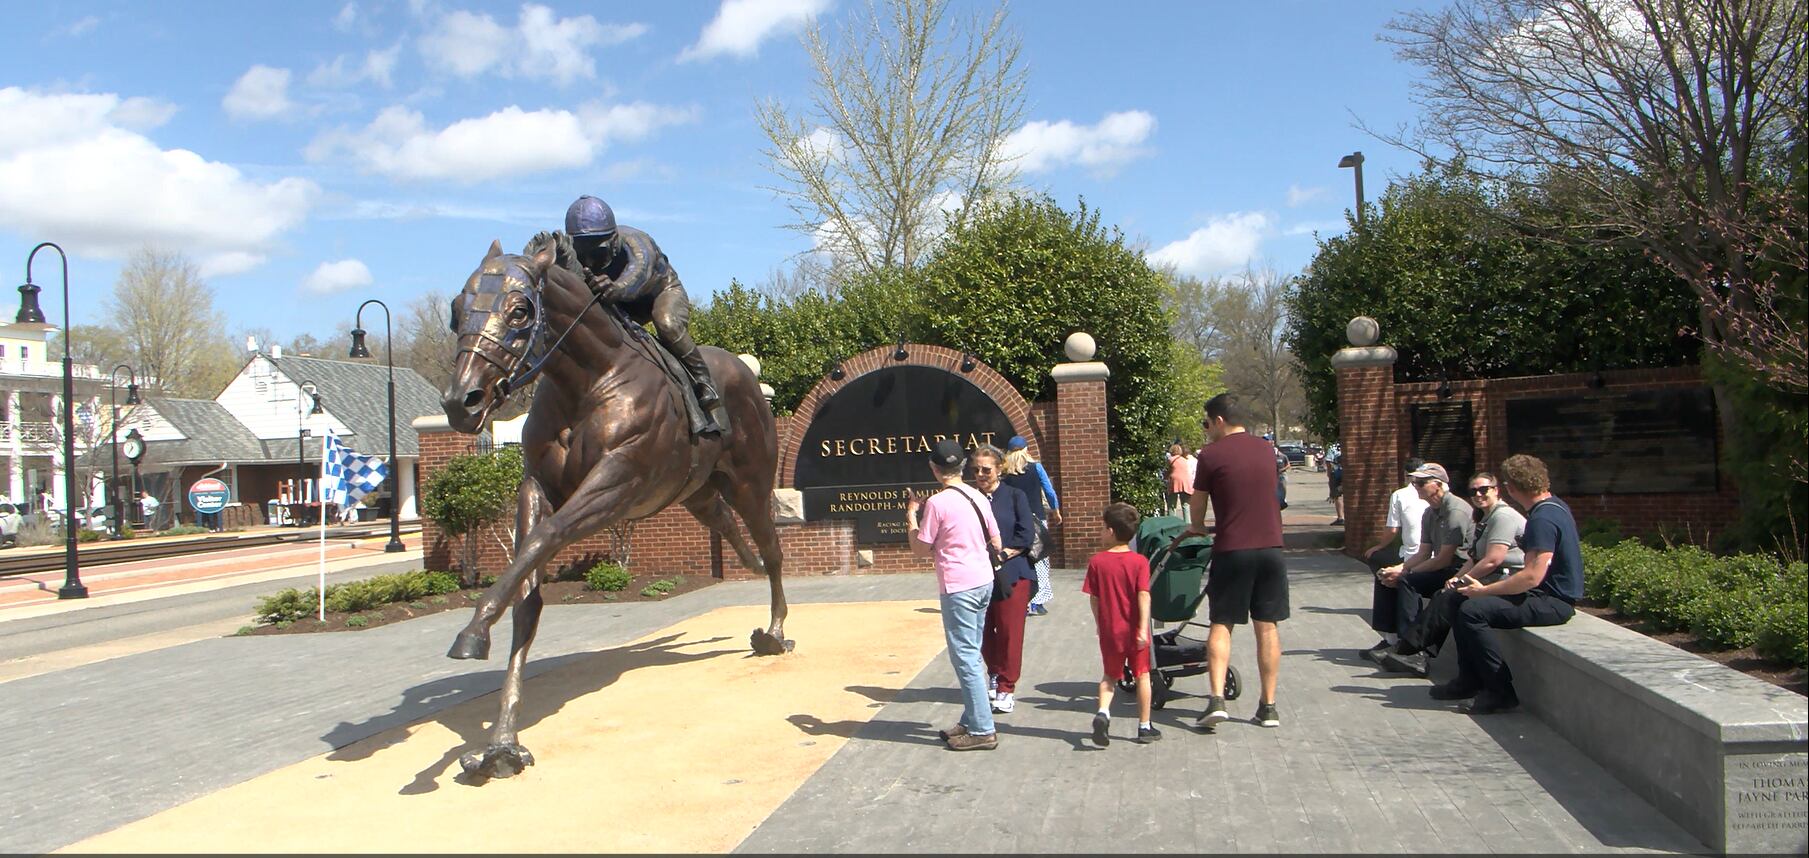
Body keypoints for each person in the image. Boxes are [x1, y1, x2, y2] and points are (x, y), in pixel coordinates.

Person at [1424, 454, 1583, 714]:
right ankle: (1469, 680)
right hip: (1542, 596)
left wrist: (1484, 591)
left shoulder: (1542, 519)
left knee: (1473, 611)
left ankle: (1500, 692)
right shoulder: (1553, 506)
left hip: (1553, 602)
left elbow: (1531, 577)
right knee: (1457, 599)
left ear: (1510, 488)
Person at [564, 195, 721, 433]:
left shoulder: (637, 243)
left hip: (658, 293)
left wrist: (615, 288)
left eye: (597, 254)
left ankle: (703, 382)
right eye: (582, 254)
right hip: (618, 302)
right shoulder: (577, 251)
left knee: (666, 323)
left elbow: (638, 275)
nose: (589, 261)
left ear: (614, 240)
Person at [1182, 392, 1287, 730]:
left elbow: (1197, 504)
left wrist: (1197, 528)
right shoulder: (1267, 450)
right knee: (1267, 625)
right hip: (1271, 548)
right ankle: (1268, 706)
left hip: (1233, 548)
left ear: (1220, 421)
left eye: (1207, 422)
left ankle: (1216, 699)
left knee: (1222, 623)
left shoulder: (1211, 455)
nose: (1207, 429)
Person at [906, 438, 1003, 751]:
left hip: (958, 585)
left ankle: (983, 730)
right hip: (983, 581)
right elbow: (996, 540)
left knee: (965, 658)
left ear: (935, 469)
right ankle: (973, 717)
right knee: (972, 652)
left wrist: (911, 516)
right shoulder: (979, 495)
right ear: (962, 467)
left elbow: (921, 548)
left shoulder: (937, 503)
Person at [1397, 471, 1526, 658]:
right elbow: (1474, 558)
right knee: (1439, 593)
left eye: (1483, 490)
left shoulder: (1502, 516)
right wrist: (1458, 579)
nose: (1478, 495)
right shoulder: (1484, 518)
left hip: (1508, 581)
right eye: (1473, 491)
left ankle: (1409, 652)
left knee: (1449, 599)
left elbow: (1492, 560)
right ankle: (1404, 645)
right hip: (1487, 576)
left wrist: (1462, 579)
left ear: (1496, 490)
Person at [1365, 462, 1474, 677]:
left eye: (1421, 482)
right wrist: (1398, 568)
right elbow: (1423, 552)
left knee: (1409, 581)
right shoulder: (1430, 513)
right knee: (1390, 578)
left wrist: (1406, 573)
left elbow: (1444, 559)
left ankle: (1411, 650)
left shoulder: (1456, 511)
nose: (1415, 486)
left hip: (1461, 570)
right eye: (1414, 481)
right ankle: (1397, 642)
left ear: (1439, 485)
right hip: (1445, 567)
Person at [1084, 502, 1159, 746]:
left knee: (1109, 676)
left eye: (1103, 528)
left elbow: (1094, 599)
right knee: (1142, 676)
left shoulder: (1097, 562)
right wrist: (1141, 628)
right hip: (1134, 630)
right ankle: (1145, 726)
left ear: (1112, 531)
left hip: (1110, 629)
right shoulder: (1139, 562)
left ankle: (1103, 712)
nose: (1101, 532)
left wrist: (1099, 624)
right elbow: (1143, 595)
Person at [970, 444, 1035, 716]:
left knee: (1009, 632)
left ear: (999, 469)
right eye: (976, 470)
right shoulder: (970, 498)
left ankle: (1007, 688)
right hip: (977, 575)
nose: (981, 474)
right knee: (983, 631)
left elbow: (1026, 534)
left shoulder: (1015, 495)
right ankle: (994, 674)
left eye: (986, 469)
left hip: (1013, 573)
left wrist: (1004, 553)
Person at [1001, 435, 1061, 617]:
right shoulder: (1036, 467)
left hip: (1015, 520)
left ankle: (1020, 598)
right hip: (1036, 519)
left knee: (1020, 558)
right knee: (1040, 558)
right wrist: (1055, 509)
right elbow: (1049, 490)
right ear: (1026, 449)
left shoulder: (1005, 472)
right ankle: (1037, 602)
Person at [1362, 458, 1431, 573]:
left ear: (1405, 474)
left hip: (1411, 555)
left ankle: (1390, 585)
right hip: (1435, 554)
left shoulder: (1400, 495)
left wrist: (1380, 546)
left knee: (1374, 557)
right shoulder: (1435, 494)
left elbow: (1392, 530)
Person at [1165, 443, 1195, 519]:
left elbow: (1168, 471)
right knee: (1186, 505)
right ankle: (1187, 523)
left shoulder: (1170, 460)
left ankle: (1172, 522)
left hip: (1174, 482)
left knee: (1172, 504)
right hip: (1185, 482)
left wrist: (1165, 478)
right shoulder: (1185, 460)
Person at [1324, 443, 1345, 525]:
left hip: (1337, 473)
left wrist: (1329, 474)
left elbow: (1329, 462)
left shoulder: (1333, 447)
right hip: (1349, 472)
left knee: (1337, 495)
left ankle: (1340, 517)